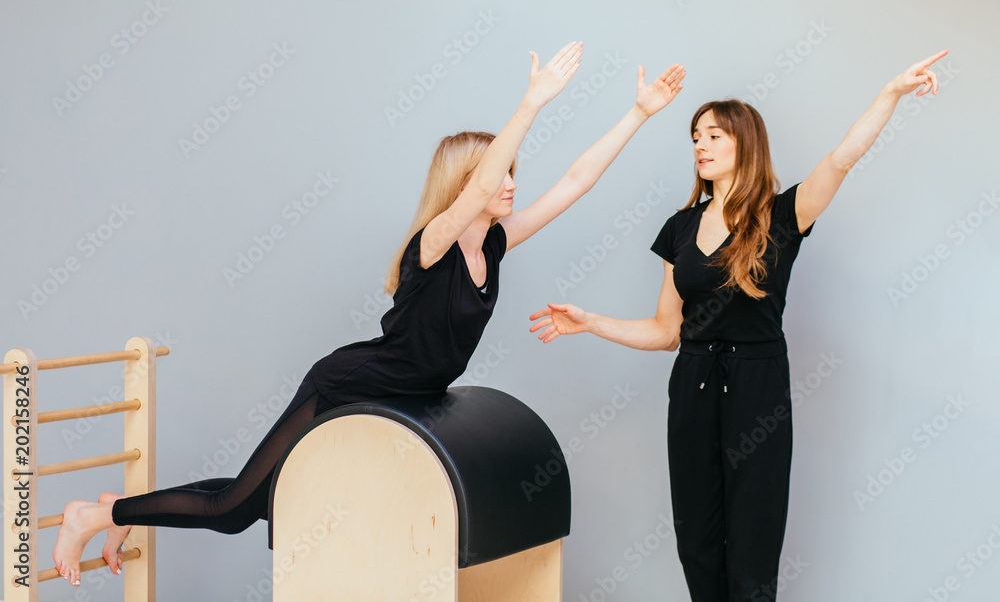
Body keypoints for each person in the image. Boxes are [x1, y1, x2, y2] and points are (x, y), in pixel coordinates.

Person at [51, 40, 687, 588]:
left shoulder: (495, 243)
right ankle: (97, 515)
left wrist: (637, 114)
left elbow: (575, 183)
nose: (511, 183)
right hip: (349, 383)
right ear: (466, 185)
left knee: (260, 496)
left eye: (514, 172)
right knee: (238, 509)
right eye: (500, 174)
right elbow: (477, 188)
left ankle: (121, 508)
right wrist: (532, 102)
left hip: (404, 395)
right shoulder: (433, 243)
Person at [528, 49, 948, 601]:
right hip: (693, 384)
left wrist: (890, 93)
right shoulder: (679, 228)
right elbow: (666, 332)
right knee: (697, 543)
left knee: (752, 543)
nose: (699, 145)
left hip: (757, 386)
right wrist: (592, 323)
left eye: (714, 135)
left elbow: (842, 158)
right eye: (695, 136)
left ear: (744, 144)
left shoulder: (783, 215)